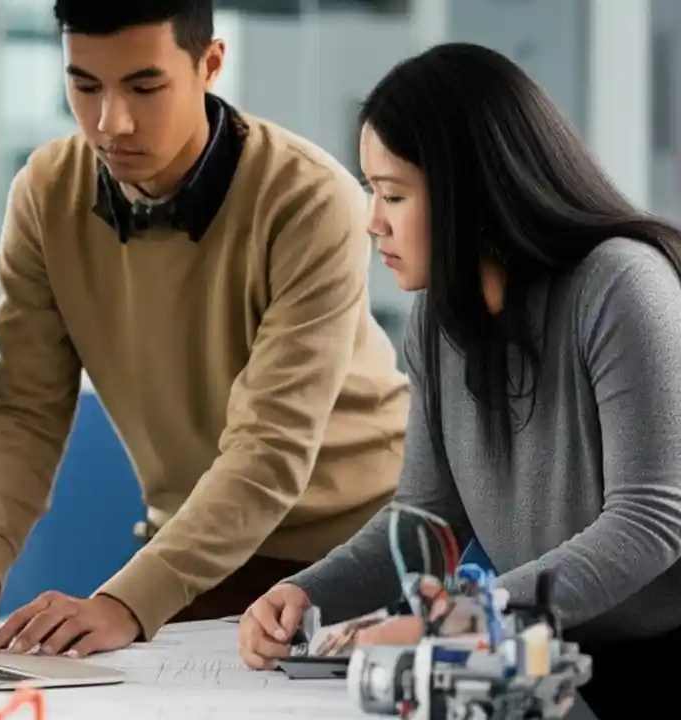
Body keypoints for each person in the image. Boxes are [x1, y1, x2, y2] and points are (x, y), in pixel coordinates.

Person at [0, 0, 409, 658]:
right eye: (84, 85)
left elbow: (269, 448)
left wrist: (124, 600)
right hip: (197, 551)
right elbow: (24, 406)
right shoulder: (45, 191)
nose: (109, 122)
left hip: (358, 552)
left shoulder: (310, 198)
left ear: (210, 64)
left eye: (145, 86)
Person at [236, 43, 681, 717]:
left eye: (392, 194)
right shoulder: (437, 319)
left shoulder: (622, 284)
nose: (371, 222)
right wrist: (309, 592)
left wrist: (460, 617)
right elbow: (426, 518)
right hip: (532, 657)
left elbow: (650, 521)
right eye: (369, 191)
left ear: (468, 190)